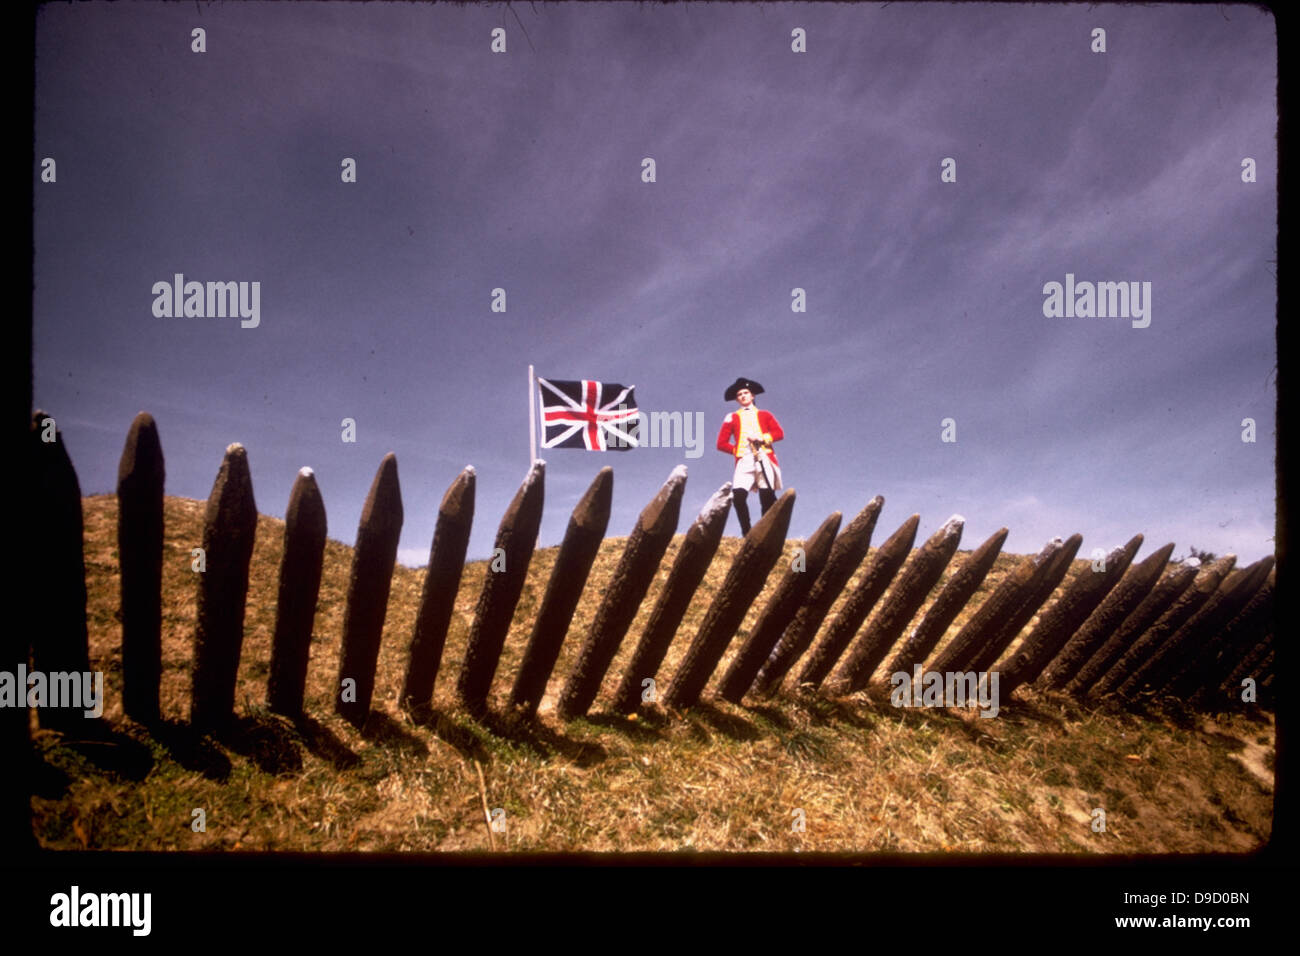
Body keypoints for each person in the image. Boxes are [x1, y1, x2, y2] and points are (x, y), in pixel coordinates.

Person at [716, 377, 784, 535]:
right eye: (739, 394)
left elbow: (779, 433)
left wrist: (762, 439)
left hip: (764, 456)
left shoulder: (765, 415)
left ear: (752, 396)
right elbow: (721, 443)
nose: (743, 396)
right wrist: (736, 451)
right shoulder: (731, 417)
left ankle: (764, 533)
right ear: (736, 398)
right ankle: (747, 532)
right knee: (738, 497)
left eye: (746, 393)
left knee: (766, 497)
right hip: (744, 460)